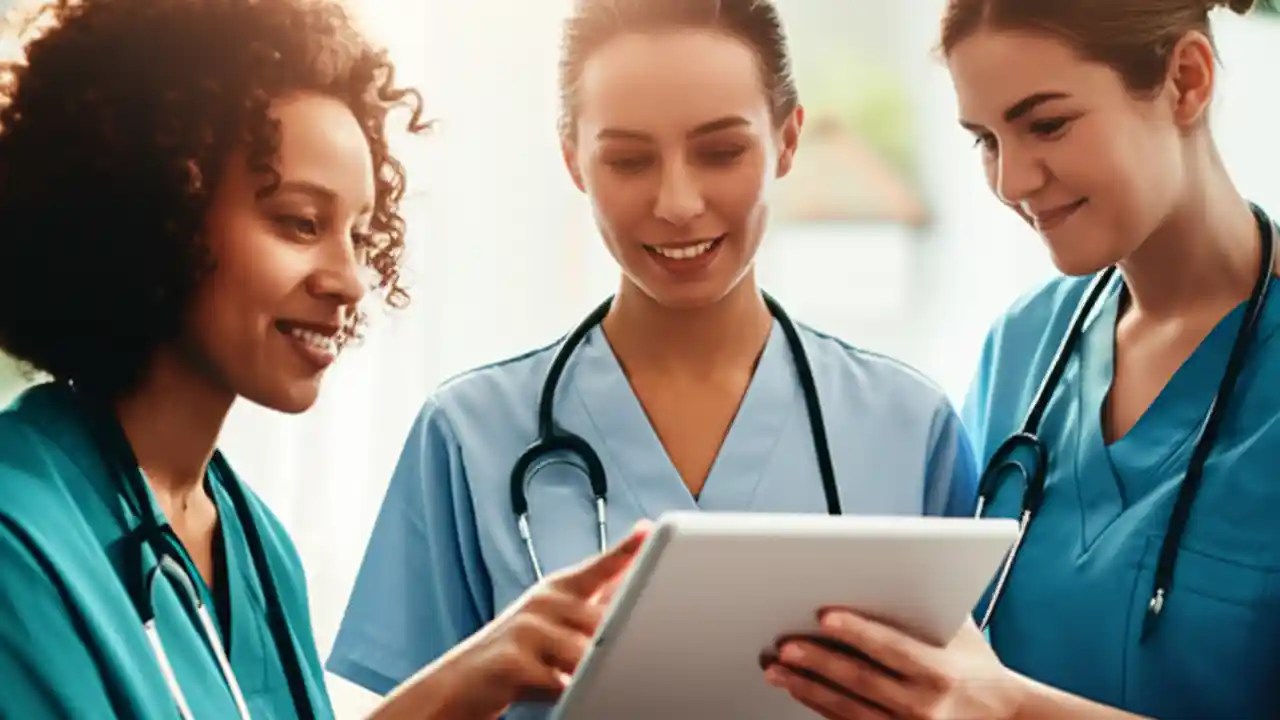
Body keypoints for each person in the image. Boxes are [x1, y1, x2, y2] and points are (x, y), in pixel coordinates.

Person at [0, 0, 653, 717]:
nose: (348, 279)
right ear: (154, 203)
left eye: (361, 234)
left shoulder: (256, 546)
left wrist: (478, 675)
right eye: (301, 223)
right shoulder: (20, 535)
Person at [326, 0, 980, 716]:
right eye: (630, 159)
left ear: (788, 140)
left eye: (722, 151)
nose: (677, 201)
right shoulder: (467, 434)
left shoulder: (910, 428)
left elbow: (976, 701)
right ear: (573, 158)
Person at [758, 0, 1280, 718]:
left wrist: (1010, 711)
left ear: (1187, 81)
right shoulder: (1023, 348)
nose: (1011, 181)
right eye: (985, 140)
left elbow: (983, 699)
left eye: (1047, 124)